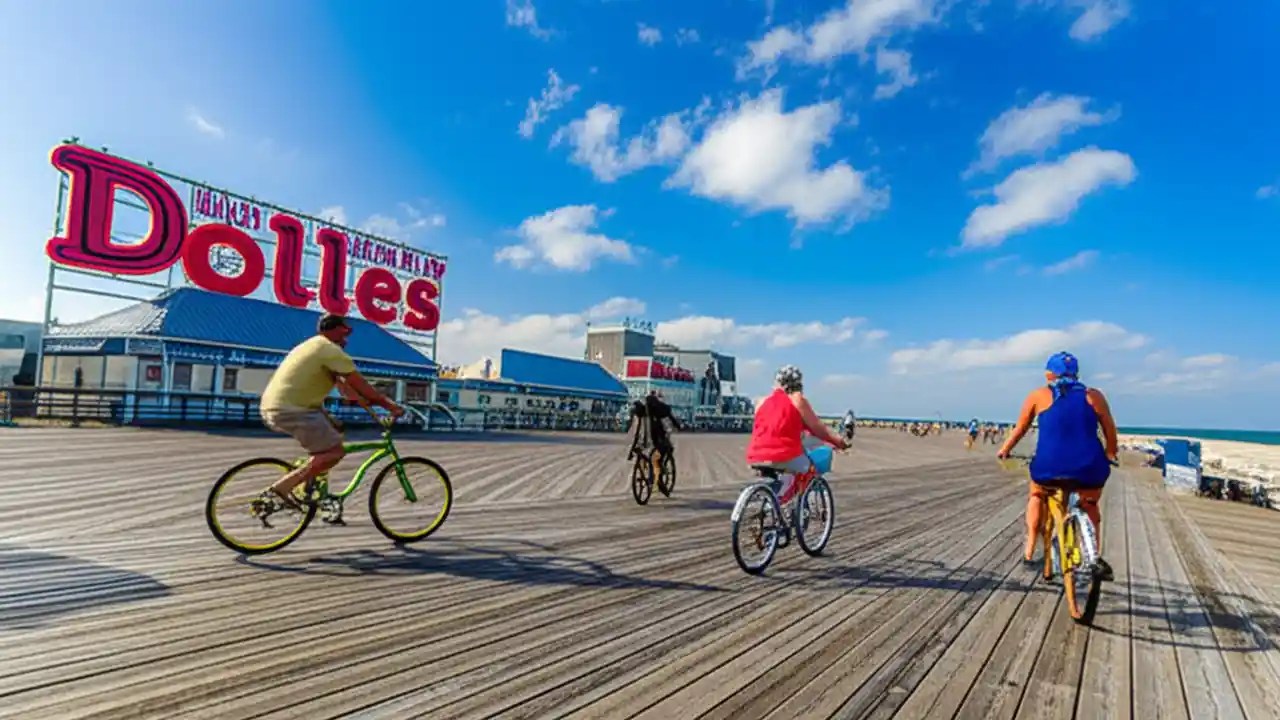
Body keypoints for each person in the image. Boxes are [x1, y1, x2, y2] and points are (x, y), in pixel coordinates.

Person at [258, 313, 404, 510]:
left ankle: (316, 493)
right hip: (294, 410)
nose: (347, 339)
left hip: (278, 407)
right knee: (334, 452)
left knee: (335, 429)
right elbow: (362, 386)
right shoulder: (329, 350)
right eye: (345, 332)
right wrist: (392, 407)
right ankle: (281, 489)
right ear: (332, 329)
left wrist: (373, 411)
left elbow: (349, 391)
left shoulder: (312, 346)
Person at [998, 351, 1117, 579]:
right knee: (1090, 501)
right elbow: (1110, 430)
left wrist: (1005, 450)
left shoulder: (1038, 395)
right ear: (1077, 373)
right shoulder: (1094, 396)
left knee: (1037, 494)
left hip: (1048, 468)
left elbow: (1021, 429)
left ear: (1049, 374)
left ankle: (1030, 550)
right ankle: (1093, 556)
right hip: (1089, 467)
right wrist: (1110, 452)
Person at [746, 365, 851, 506]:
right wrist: (840, 442)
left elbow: (774, 428)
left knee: (786, 471)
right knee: (808, 468)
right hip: (781, 454)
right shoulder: (797, 400)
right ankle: (790, 505)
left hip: (755, 455)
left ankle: (776, 503)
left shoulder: (761, 402)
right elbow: (819, 429)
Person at [628, 390, 683, 476]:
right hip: (655, 439)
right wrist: (678, 426)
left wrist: (631, 451)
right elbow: (671, 418)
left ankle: (650, 467)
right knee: (667, 448)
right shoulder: (659, 409)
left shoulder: (640, 413)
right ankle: (659, 465)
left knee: (647, 451)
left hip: (640, 440)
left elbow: (635, 430)